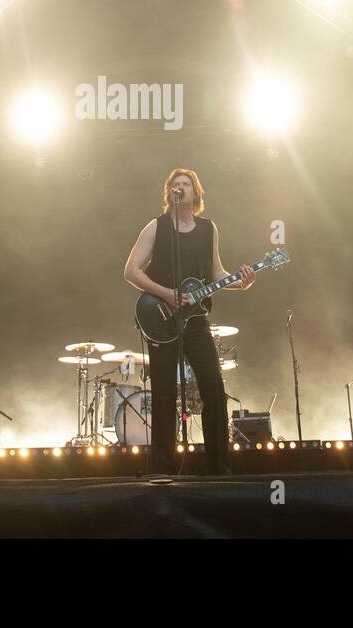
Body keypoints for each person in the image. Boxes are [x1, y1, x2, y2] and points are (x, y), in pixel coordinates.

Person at [123, 168, 255, 475]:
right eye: (175, 184)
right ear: (169, 192)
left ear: (196, 193)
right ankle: (162, 471)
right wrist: (166, 294)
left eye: (186, 184)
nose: (180, 188)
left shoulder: (209, 229)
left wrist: (241, 282)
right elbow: (131, 271)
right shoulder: (156, 227)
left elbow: (217, 273)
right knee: (164, 395)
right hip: (160, 318)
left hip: (196, 320)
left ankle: (219, 468)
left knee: (213, 387)